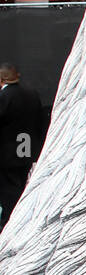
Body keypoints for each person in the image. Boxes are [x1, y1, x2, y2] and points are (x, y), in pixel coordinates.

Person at [0, 62, 44, 231]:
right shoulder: (32, 94)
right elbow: (40, 123)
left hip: (7, 154)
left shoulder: (4, 98)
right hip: (26, 151)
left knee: (9, 192)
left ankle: (9, 226)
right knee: (21, 187)